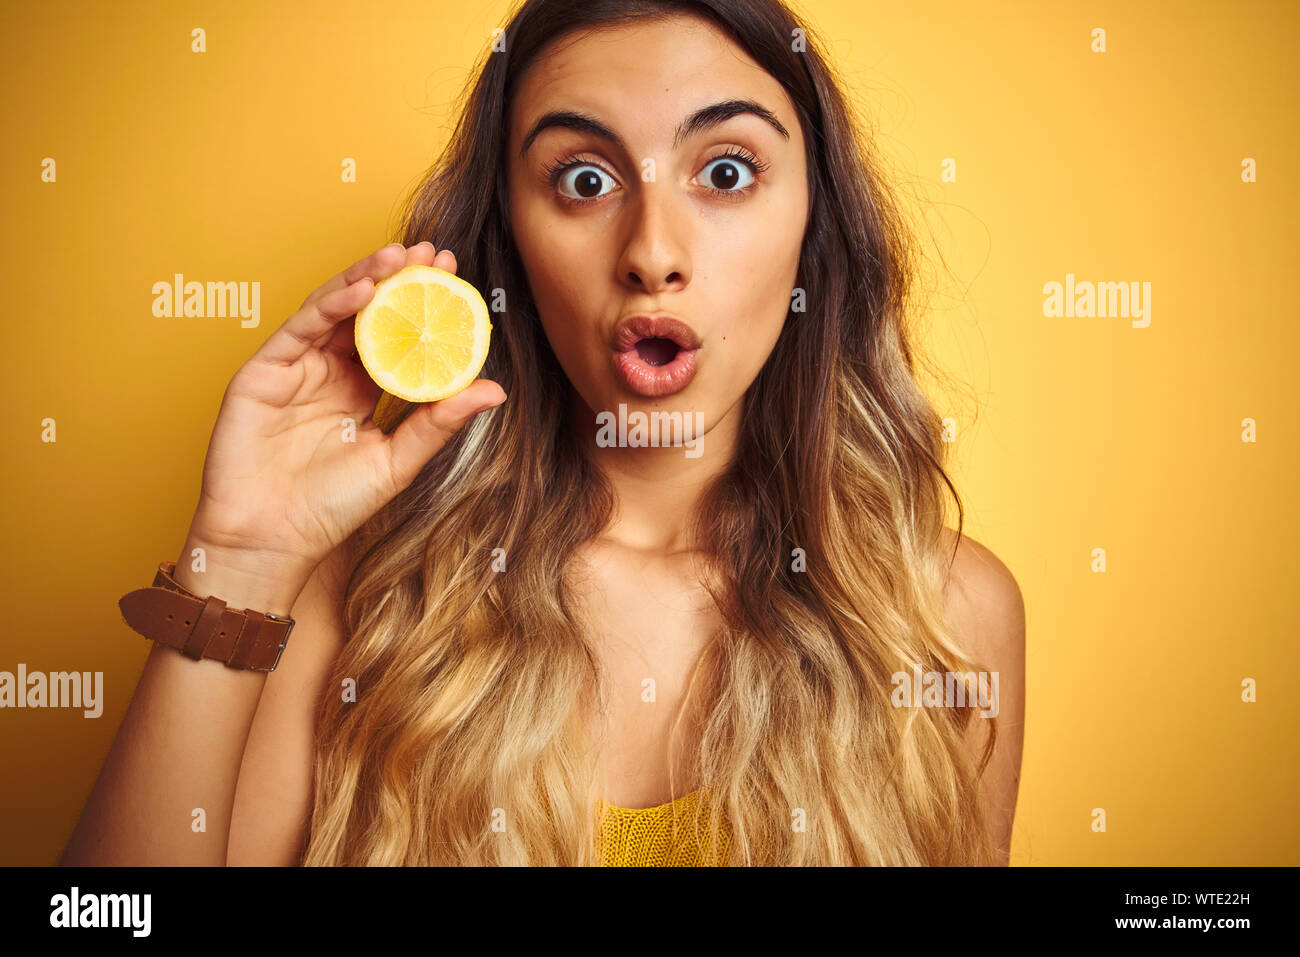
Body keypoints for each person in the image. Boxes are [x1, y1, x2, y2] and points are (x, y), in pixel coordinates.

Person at [61, 0, 1025, 867]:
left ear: (814, 230)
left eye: (726, 172)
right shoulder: (356, 606)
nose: (652, 252)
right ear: (506, 247)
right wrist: (240, 558)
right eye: (583, 179)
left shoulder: (942, 617)